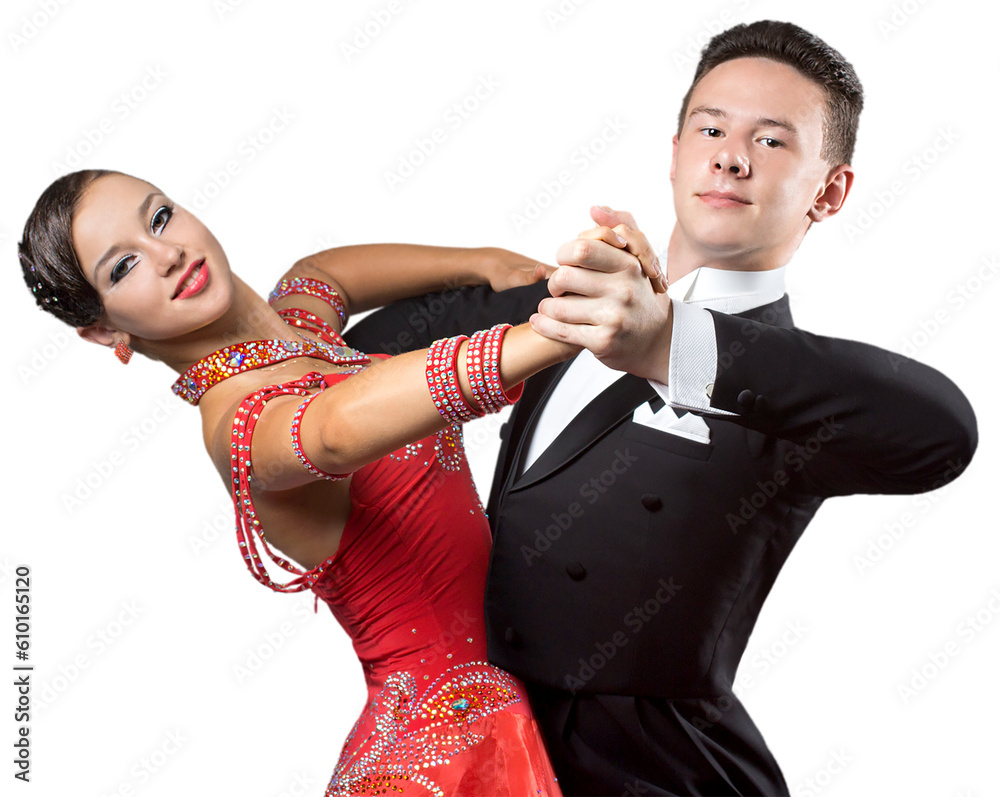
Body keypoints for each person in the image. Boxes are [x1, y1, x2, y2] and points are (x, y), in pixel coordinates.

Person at [343, 20, 980, 796]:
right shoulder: (566, 306)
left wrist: (671, 343)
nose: (731, 156)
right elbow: (351, 351)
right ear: (674, 153)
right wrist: (481, 262)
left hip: (655, 770)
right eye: (711, 129)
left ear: (830, 191)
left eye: (771, 141)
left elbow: (943, 433)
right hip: (475, 749)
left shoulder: (795, 394)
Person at [17, 168, 650, 796]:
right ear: (105, 330)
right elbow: (332, 431)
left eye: (160, 217)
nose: (167, 254)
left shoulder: (303, 334)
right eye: (123, 266)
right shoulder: (239, 424)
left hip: (505, 695)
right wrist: (563, 329)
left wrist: (482, 262)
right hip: (441, 749)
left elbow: (323, 273)